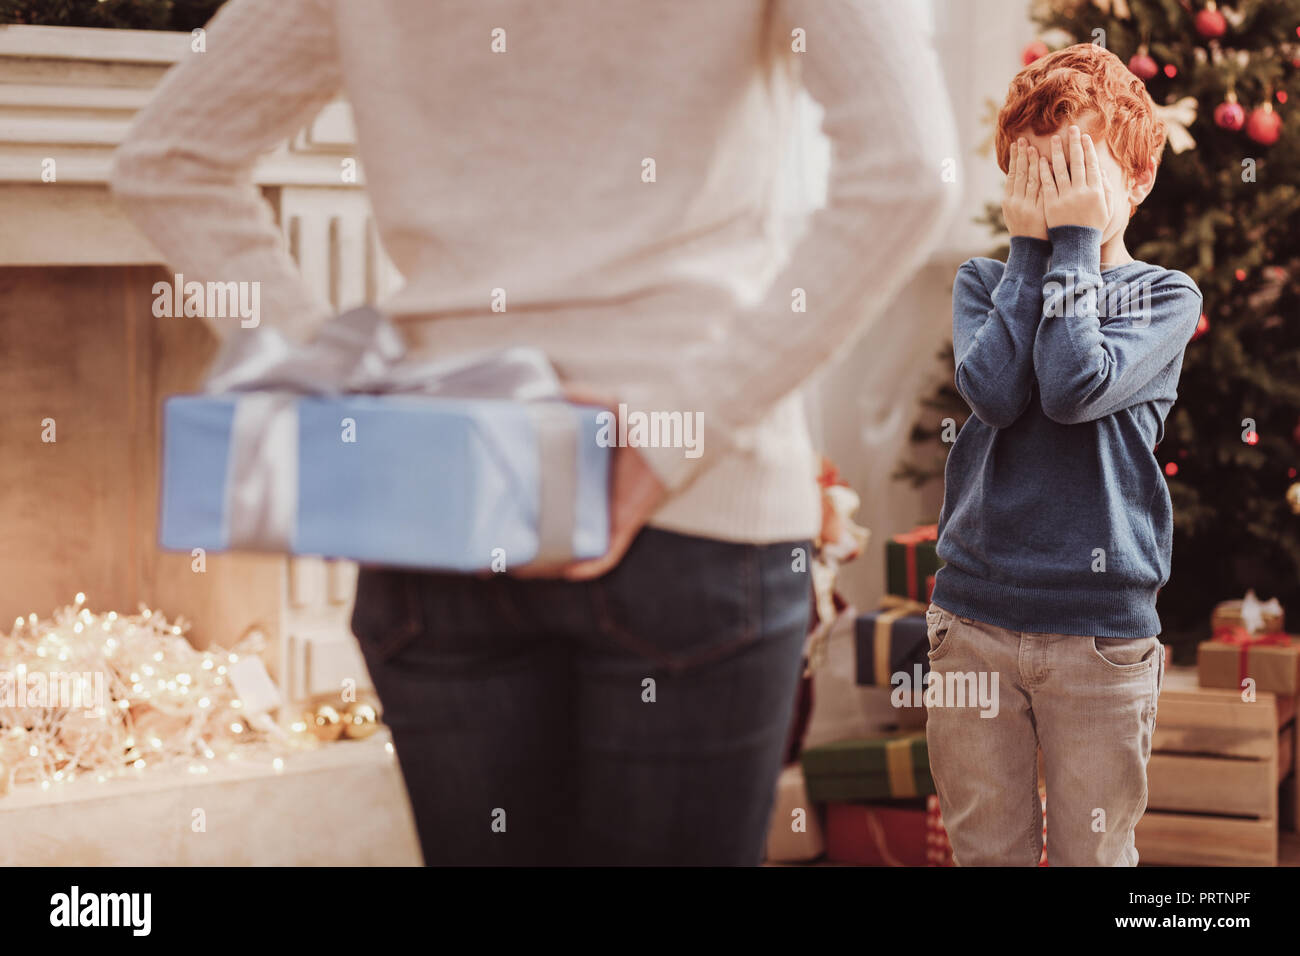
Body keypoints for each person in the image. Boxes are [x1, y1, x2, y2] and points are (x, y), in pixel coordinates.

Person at [112, 0, 958, 865]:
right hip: (698, 525)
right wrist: (673, 441)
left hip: (444, 508)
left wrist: (340, 385)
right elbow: (908, 170)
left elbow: (168, 161)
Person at [926, 43, 1203, 866]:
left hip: (1099, 634)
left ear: (1139, 179)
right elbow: (999, 393)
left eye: (1075, 170)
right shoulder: (985, 281)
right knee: (989, 852)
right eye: (1032, 175)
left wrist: (1075, 244)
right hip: (975, 618)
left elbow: (1073, 384)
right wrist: (1030, 258)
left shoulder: (1163, 297)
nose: (1050, 198)